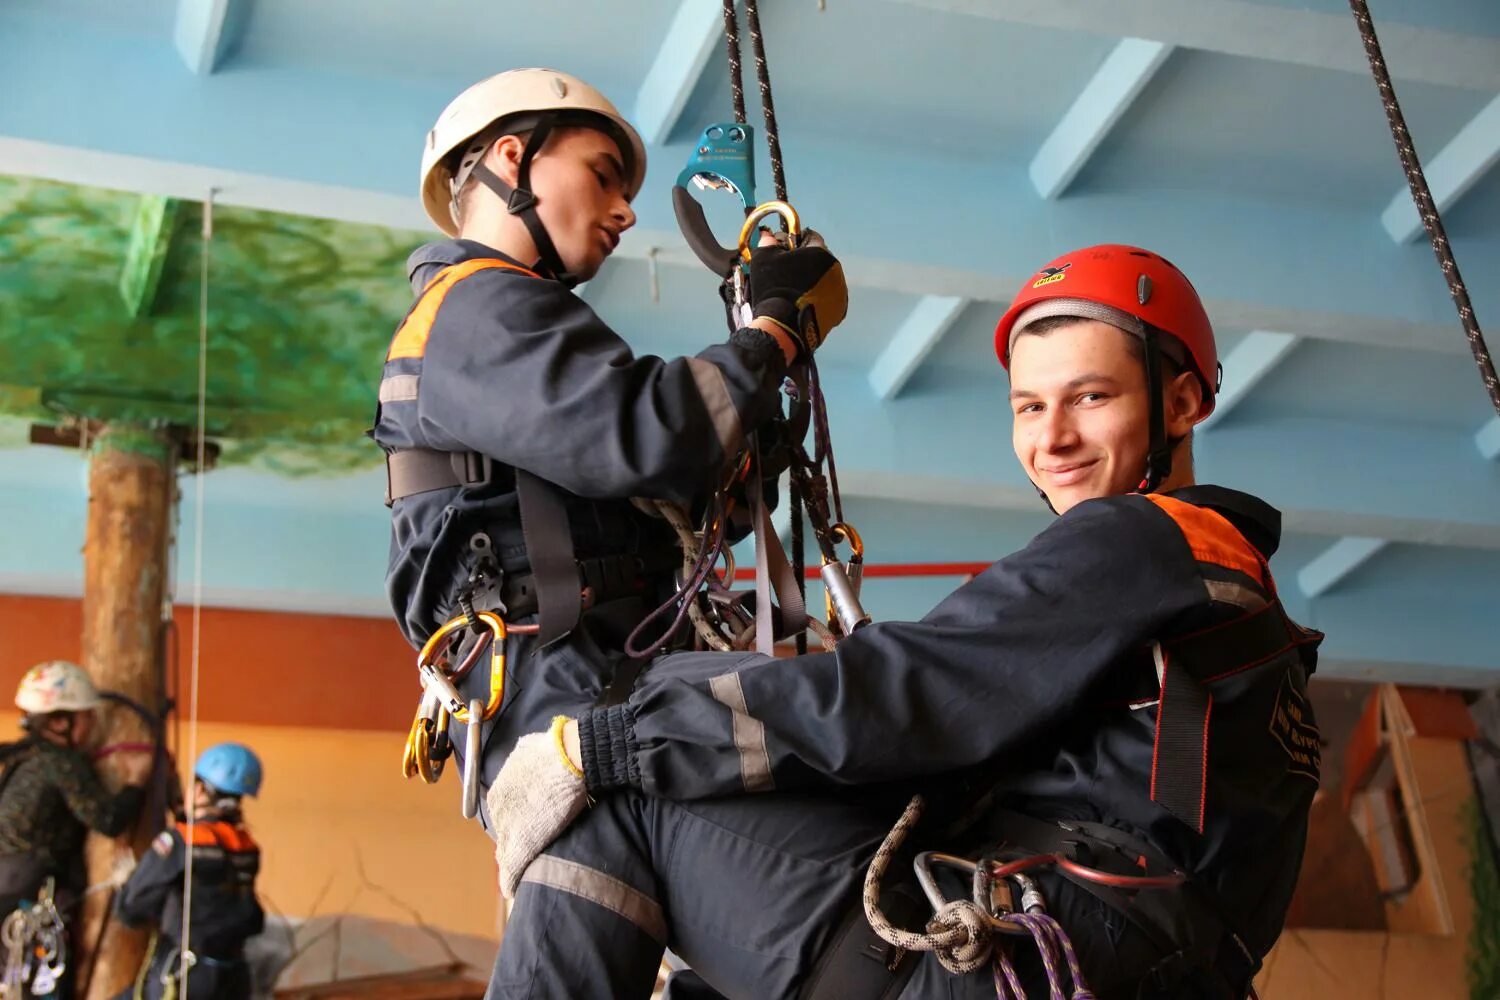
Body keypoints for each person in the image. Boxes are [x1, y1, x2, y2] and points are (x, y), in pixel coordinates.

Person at [485, 245, 1324, 999]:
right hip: (1080, 956)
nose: (1053, 438)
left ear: (1182, 403)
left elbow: (905, 690)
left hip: (1013, 960)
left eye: (1090, 397)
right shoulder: (1241, 612)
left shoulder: (1140, 541)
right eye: (1029, 408)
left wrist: (603, 746)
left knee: (614, 788)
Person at [370, 67, 849, 822]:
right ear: (509, 159)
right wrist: (772, 335)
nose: (625, 212)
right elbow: (645, 435)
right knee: (857, 723)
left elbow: (673, 496)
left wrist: (758, 429)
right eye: (602, 175)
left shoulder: (528, 334)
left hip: (603, 675)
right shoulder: (470, 308)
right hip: (564, 691)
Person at [0, 660, 148, 999]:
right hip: (31, 896)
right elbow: (108, 820)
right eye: (86, 717)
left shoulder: (20, 758)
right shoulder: (60, 763)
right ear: (59, 721)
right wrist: (136, 783)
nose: (92, 724)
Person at [113, 743, 264, 1000]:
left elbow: (130, 910)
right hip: (234, 977)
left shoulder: (180, 841)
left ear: (201, 790)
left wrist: (125, 882)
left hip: (187, 974)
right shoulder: (246, 846)